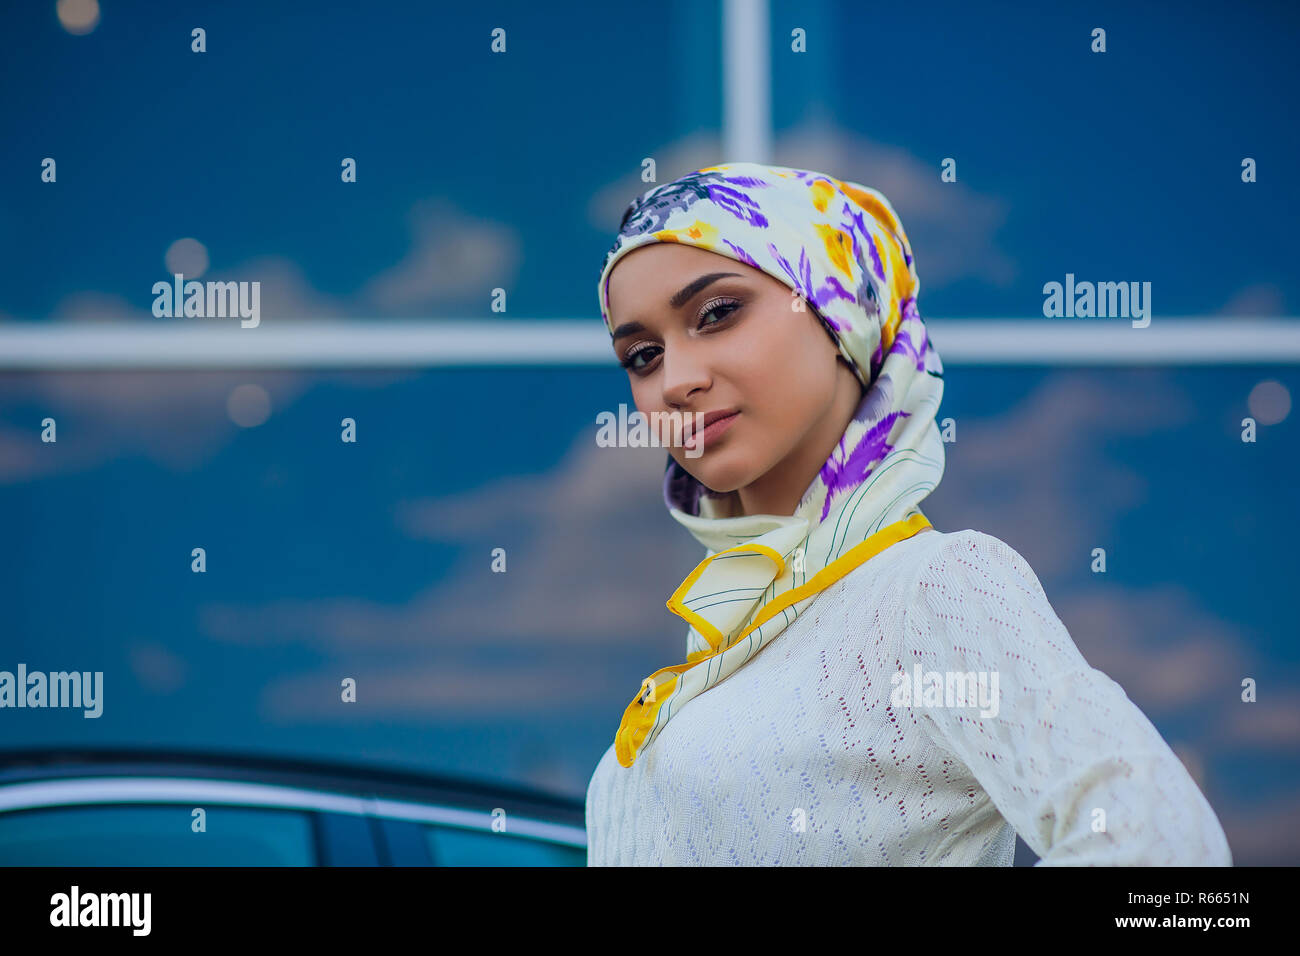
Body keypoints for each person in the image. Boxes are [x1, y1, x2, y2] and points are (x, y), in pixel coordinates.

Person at [583, 162, 1232, 866]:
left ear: (840, 311)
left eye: (717, 314)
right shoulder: (725, 654)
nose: (676, 381)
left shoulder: (934, 589)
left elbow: (1164, 845)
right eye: (643, 355)